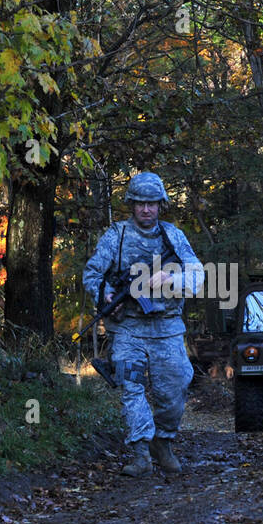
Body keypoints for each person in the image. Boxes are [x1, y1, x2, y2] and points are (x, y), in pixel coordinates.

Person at [82, 172, 203, 477]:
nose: (146, 209)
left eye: (152, 204)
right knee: (131, 388)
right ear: (131, 205)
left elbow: (198, 278)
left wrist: (170, 279)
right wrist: (106, 293)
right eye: (140, 204)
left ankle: (162, 442)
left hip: (167, 329)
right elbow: (92, 274)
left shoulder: (173, 236)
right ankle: (140, 453)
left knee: (174, 389)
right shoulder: (117, 236)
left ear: (161, 205)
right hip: (128, 331)